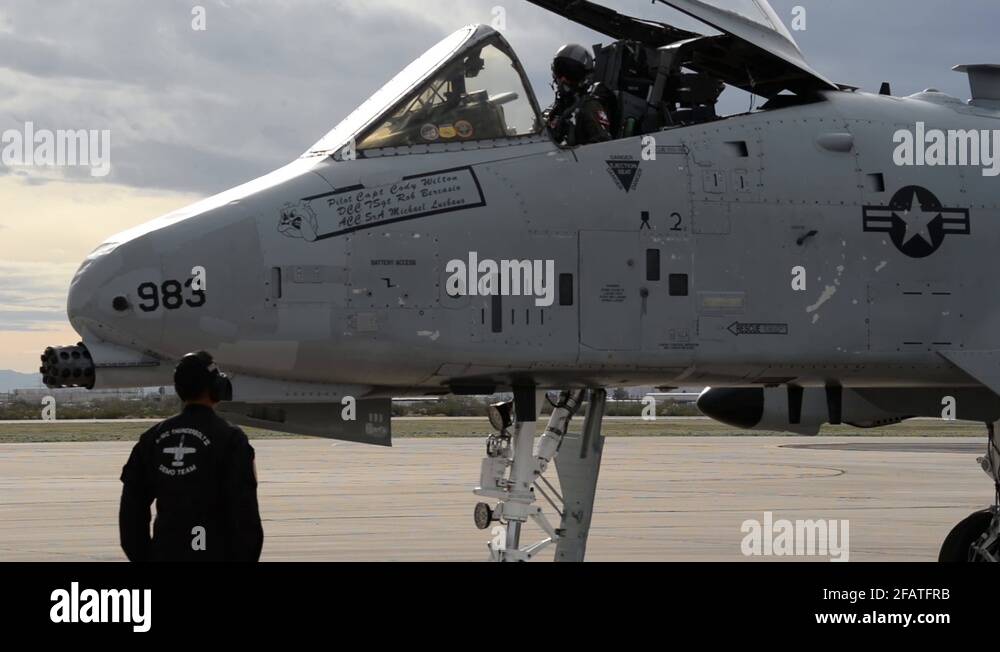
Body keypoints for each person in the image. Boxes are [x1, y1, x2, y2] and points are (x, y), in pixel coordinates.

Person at [119, 351, 263, 562]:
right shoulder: (231, 439)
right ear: (215, 388)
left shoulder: (152, 439)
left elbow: (131, 512)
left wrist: (146, 558)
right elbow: (245, 515)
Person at [543, 43, 613, 146]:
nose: (563, 79)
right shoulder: (554, 110)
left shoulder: (590, 106)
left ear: (584, 78)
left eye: (571, 73)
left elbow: (603, 146)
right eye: (560, 70)